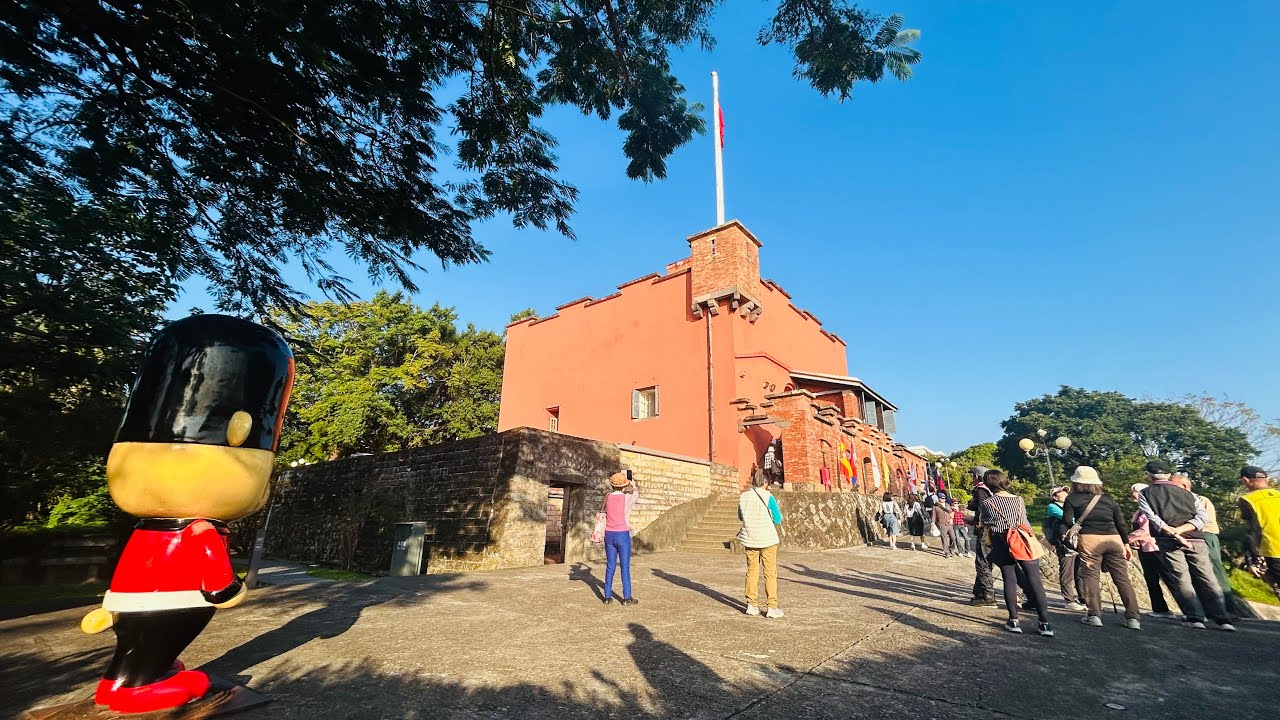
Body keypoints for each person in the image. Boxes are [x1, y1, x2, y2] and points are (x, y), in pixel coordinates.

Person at [1137, 460, 1235, 631]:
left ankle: (1195, 617)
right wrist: (1183, 530)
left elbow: (1153, 518)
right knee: (1207, 577)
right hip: (1196, 538)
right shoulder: (1189, 494)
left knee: (1180, 577)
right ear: (1169, 474)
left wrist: (1174, 532)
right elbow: (1202, 518)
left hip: (1168, 540)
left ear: (1149, 475)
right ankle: (1223, 619)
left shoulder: (1145, 493)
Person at [1059, 467, 1142, 629]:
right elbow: (1120, 523)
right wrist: (1126, 543)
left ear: (1076, 482)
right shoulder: (1108, 499)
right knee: (1122, 578)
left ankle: (1094, 615)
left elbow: (1067, 521)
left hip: (1090, 539)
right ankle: (1133, 618)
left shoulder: (1072, 499)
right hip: (1114, 539)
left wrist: (1078, 526)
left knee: (1090, 576)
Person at [979, 470, 1054, 637]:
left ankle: (1013, 620)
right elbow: (1024, 521)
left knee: (1010, 580)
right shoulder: (1019, 500)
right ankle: (1044, 623)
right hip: (1022, 540)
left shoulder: (987, 503)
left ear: (988, 484)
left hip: (1001, 540)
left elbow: (985, 522)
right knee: (1035, 580)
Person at [1172, 472, 1235, 610]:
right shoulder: (1179, 500)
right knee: (1195, 573)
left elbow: (1204, 520)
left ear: (1183, 485)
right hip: (1188, 537)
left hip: (1206, 535)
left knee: (1214, 570)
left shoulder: (1200, 499)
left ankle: (1228, 607)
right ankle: (1206, 608)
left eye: (1173, 484)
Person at [738, 472, 784, 618]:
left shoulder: (743, 496)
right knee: (770, 573)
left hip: (750, 538)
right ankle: (772, 607)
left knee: (752, 571)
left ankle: (751, 605)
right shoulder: (768, 496)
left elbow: (740, 516)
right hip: (768, 539)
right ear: (764, 483)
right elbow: (777, 519)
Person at [1128, 483, 1177, 619]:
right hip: (1146, 548)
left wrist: (1127, 539)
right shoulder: (1140, 510)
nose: (1132, 494)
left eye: (1134, 491)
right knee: (1151, 579)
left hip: (1155, 547)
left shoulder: (1148, 510)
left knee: (1168, 578)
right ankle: (1160, 608)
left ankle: (1188, 608)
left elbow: (1144, 531)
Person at [1239, 466, 1280, 601]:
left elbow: (1250, 525)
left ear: (1245, 480)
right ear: (1266, 479)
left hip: (1272, 547)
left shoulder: (1247, 499)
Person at [1043, 486, 1088, 612]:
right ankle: (1069, 599)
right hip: (1063, 543)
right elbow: (1067, 518)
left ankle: (1083, 598)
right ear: (1054, 496)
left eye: (1065, 491)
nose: (1064, 493)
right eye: (1061, 492)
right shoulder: (1052, 507)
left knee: (1080, 571)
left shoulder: (1071, 506)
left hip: (1077, 541)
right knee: (1066, 572)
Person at [602, 471, 639, 606]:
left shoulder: (607, 497)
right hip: (622, 534)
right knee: (624, 566)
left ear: (611, 485)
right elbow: (636, 494)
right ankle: (627, 597)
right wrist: (633, 485)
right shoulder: (627, 498)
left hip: (609, 534)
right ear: (624, 485)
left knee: (610, 566)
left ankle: (607, 596)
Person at [967, 467, 998, 606]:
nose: (971, 479)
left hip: (986, 530)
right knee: (984, 562)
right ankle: (979, 591)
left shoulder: (981, 490)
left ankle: (988, 595)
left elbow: (985, 510)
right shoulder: (989, 489)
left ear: (977, 476)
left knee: (983, 562)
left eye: (972, 476)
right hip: (988, 528)